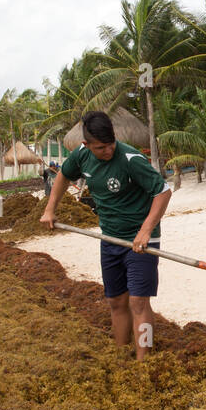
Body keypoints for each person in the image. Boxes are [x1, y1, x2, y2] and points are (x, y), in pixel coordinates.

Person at [40, 111, 172, 359]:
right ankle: (121, 356)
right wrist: (50, 210)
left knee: (138, 303)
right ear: (86, 145)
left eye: (111, 144)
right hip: (110, 239)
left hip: (140, 241)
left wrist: (145, 231)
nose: (108, 150)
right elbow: (63, 176)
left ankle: (145, 364)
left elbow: (163, 192)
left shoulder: (131, 159)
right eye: (100, 148)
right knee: (116, 302)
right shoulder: (81, 155)